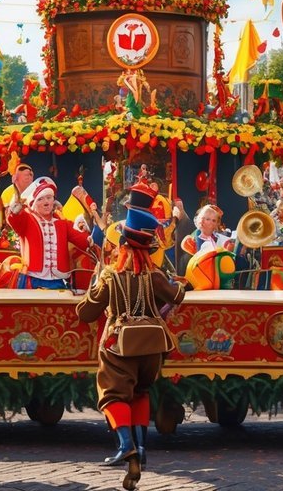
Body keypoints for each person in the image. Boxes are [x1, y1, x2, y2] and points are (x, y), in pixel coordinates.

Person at [76, 177, 186, 491]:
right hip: (153, 347)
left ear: (123, 242)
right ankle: (143, 447)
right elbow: (177, 296)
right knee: (140, 393)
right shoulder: (155, 275)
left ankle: (125, 446)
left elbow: (86, 313)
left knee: (112, 395)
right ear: (148, 245)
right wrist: (182, 285)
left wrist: (93, 285)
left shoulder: (110, 276)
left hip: (120, 346)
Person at [0, 176, 96, 290]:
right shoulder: (28, 219)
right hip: (33, 279)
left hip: (58, 280)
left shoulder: (63, 223)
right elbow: (15, 220)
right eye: (41, 199)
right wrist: (15, 210)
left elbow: (84, 241)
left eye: (49, 198)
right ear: (34, 203)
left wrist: (91, 224)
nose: (46, 202)